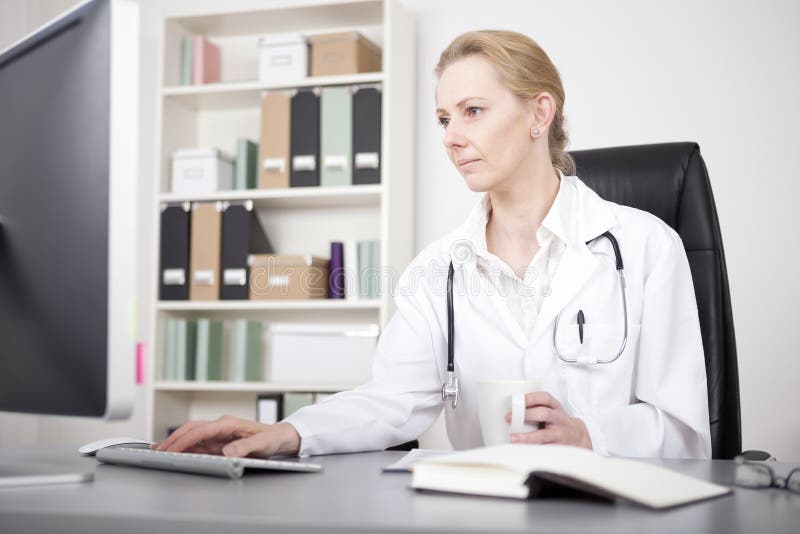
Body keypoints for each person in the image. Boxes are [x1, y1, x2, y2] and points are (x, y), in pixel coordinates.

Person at [154, 30, 712, 459]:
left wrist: (588, 434)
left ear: (540, 113)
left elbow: (687, 435)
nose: (451, 137)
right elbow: (391, 399)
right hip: (484, 515)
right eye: (445, 118)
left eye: (473, 111)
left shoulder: (645, 247)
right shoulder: (438, 269)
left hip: (614, 516)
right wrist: (288, 431)